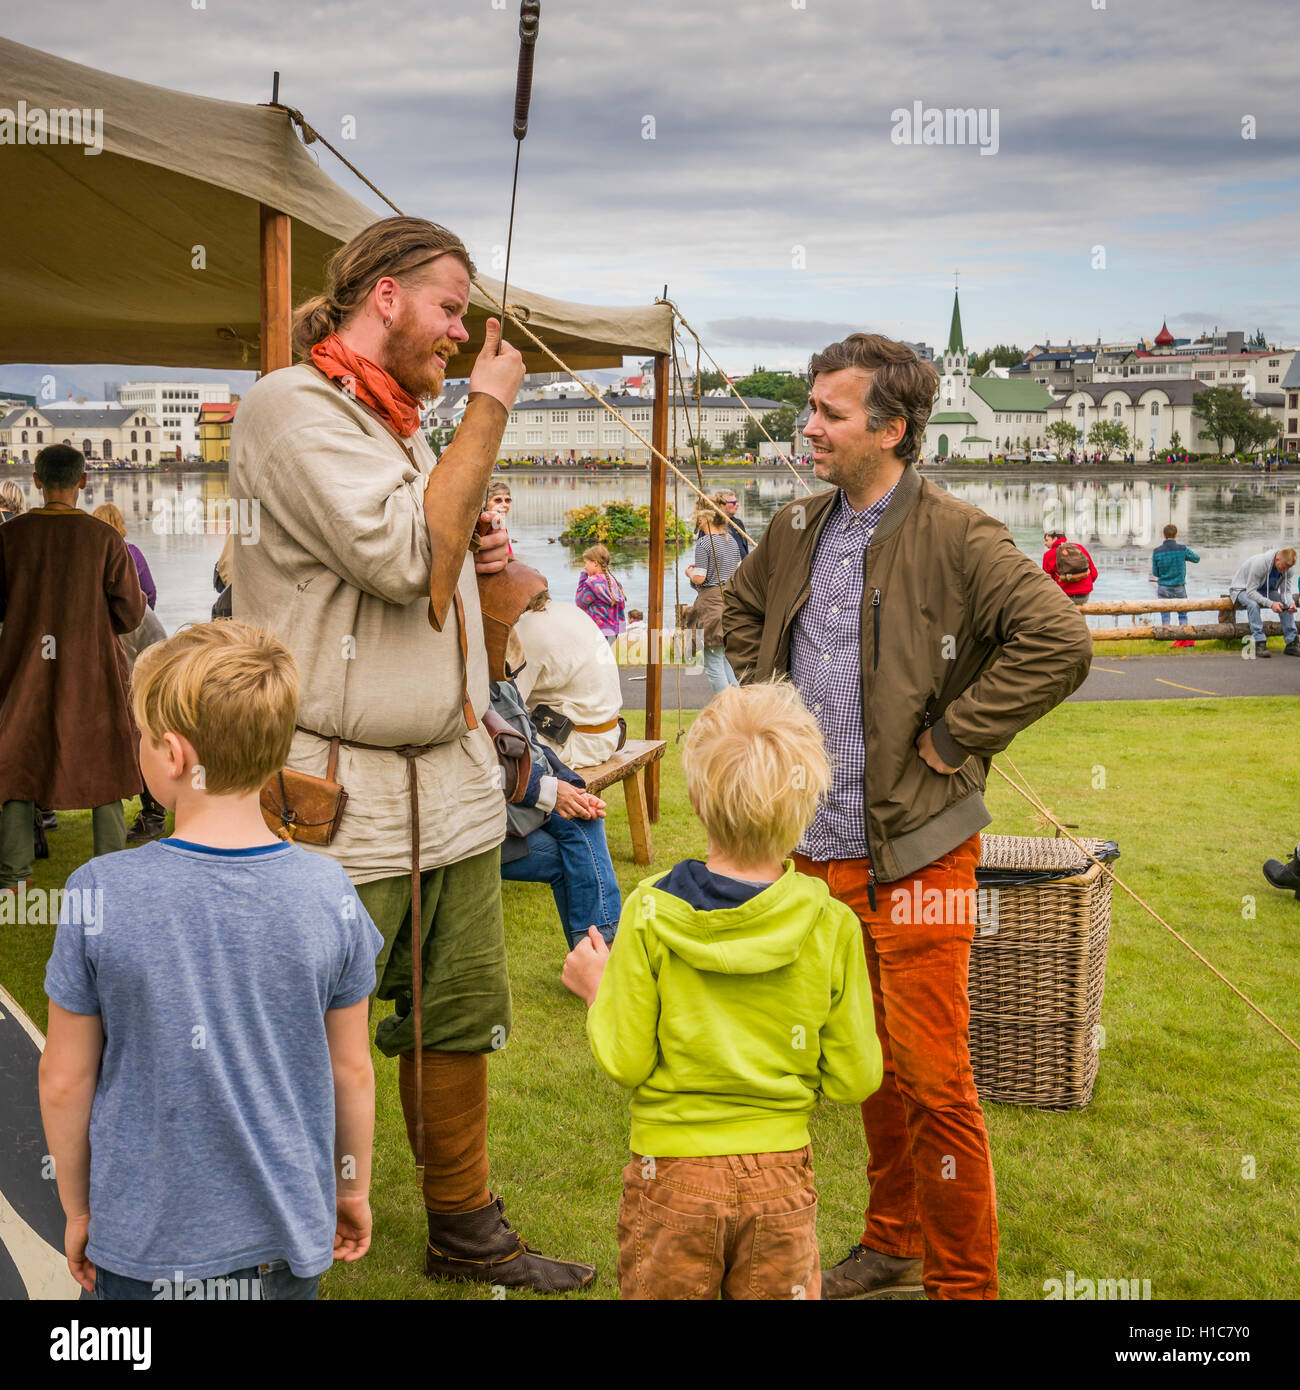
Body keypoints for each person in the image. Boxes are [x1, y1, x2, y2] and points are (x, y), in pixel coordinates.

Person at [229, 215, 594, 1292]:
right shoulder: (292, 406)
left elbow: (436, 583)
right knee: (299, 1027)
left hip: (451, 780)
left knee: (458, 1017)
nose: (461, 330)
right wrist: (488, 406)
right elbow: (398, 559)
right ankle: (272, 1234)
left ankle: (462, 1225)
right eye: (447, 306)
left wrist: (484, 559)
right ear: (382, 294)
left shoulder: (400, 423)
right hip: (332, 787)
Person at [722, 333, 1092, 1300]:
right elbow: (737, 610)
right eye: (810, 406)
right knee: (864, 1066)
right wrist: (770, 701)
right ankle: (893, 1240)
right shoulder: (798, 525)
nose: (809, 426)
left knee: (936, 1078)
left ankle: (965, 1286)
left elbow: (1056, 640)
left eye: (830, 414)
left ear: (891, 429)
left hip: (921, 855)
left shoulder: (960, 533)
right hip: (815, 855)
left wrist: (957, 735)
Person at [39, 621, 382, 1300]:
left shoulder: (99, 893)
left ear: (171, 754)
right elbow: (352, 1069)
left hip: (138, 1249)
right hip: (284, 1245)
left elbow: (63, 1080)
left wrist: (79, 1210)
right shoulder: (329, 893)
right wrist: (352, 1189)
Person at [561, 681, 882, 1300]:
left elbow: (626, 1058)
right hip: (782, 1179)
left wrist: (600, 992)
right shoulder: (832, 925)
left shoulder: (651, 912)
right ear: (807, 803)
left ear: (699, 796)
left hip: (671, 1174)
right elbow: (855, 1078)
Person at [0, 446, 146, 894]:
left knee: (16, 758)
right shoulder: (105, 539)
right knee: (103, 757)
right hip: (90, 666)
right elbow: (131, 613)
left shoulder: (9, 537)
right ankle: (111, 873)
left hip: (23, 665)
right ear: (83, 481)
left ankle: (13, 879)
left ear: (36, 480)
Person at [493, 670, 621, 951]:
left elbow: (534, 744)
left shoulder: (499, 677)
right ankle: (603, 953)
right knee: (578, 849)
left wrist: (571, 789)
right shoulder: (467, 687)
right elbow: (481, 774)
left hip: (516, 806)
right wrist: (548, 790)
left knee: (581, 826)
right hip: (483, 824)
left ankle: (594, 956)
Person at [513, 588, 625, 768]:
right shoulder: (568, 610)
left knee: (484, 753)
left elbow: (508, 705)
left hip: (576, 742)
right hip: (609, 734)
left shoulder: (525, 628)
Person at [688, 498, 743, 694]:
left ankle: (727, 705)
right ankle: (738, 702)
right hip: (729, 603)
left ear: (704, 517)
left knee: (713, 664)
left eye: (696, 515)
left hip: (712, 606)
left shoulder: (704, 543)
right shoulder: (732, 542)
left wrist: (689, 574)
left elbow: (700, 578)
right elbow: (736, 573)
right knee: (725, 660)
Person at [1229, 546, 1299, 659]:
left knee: (1285, 605)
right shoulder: (1261, 563)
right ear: (1277, 559)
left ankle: (1292, 643)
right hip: (1243, 588)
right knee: (1253, 604)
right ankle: (1259, 642)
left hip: (1267, 589)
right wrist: (1271, 604)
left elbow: (1286, 592)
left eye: (1288, 568)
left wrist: (1291, 604)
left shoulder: (1288, 568)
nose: (1286, 570)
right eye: (1285, 567)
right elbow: (1251, 592)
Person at [92, 503, 157, 609]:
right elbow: (149, 592)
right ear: (119, 523)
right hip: (128, 619)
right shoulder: (131, 552)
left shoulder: (87, 554)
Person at [1150, 523, 1200, 648]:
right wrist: (1183, 557)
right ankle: (1184, 637)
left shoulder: (1157, 552)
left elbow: (1155, 573)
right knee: (1182, 613)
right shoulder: (1182, 549)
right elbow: (1196, 559)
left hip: (1163, 586)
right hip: (1179, 586)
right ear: (1176, 534)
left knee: (1165, 614)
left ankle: (1166, 637)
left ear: (1164, 535)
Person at [575, 543, 627, 643]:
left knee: (592, 658)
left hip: (597, 630)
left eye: (586, 563)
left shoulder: (591, 583)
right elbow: (621, 605)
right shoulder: (612, 581)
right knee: (602, 657)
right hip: (613, 631)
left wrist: (582, 578)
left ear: (595, 563)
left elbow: (579, 602)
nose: (585, 567)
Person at [1042, 528, 1098, 605]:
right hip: (1084, 595)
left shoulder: (1048, 555)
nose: (1045, 543)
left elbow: (1047, 581)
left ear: (1055, 539)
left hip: (1064, 596)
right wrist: (1082, 582)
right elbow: (1094, 574)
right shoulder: (1079, 547)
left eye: (1047, 540)